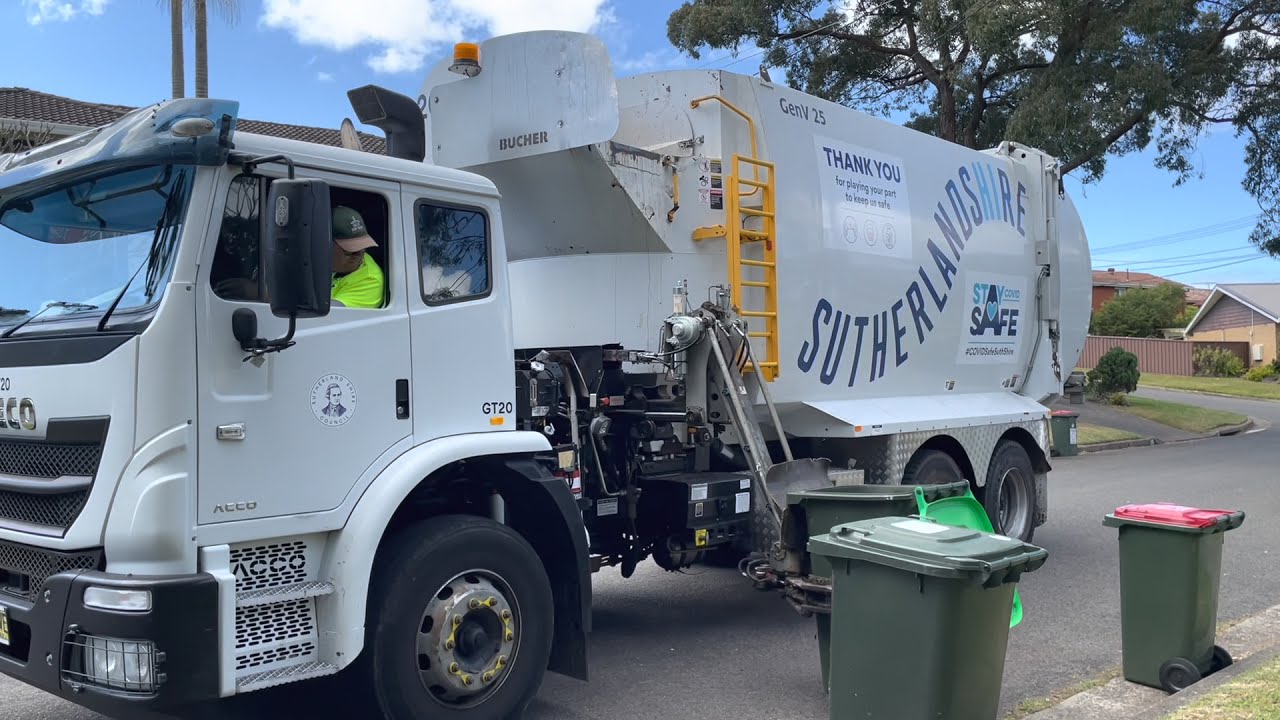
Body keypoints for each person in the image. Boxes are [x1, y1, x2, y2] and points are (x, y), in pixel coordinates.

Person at [330, 205, 384, 309]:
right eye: (350, 251)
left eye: (363, 247)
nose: (359, 256)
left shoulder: (370, 280)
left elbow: (329, 316)